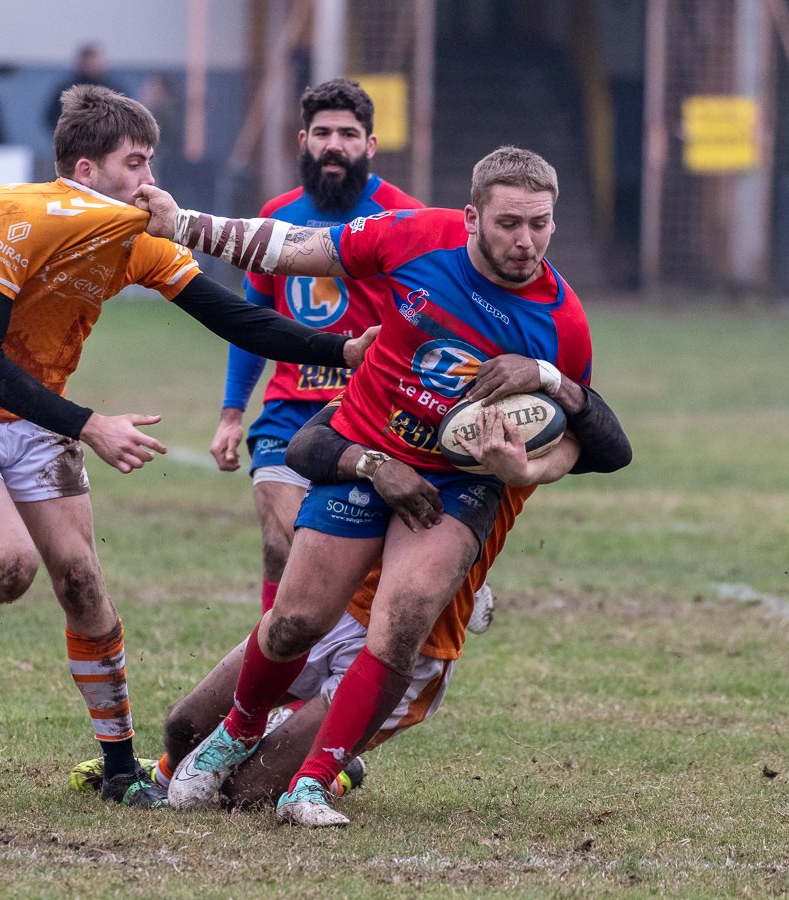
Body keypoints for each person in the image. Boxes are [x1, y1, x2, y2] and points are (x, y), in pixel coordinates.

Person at [0, 84, 374, 810]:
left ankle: (120, 769)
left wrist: (345, 352)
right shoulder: (11, 216)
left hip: (35, 417)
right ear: (86, 171)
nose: (150, 179)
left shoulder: (137, 239)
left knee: (81, 581)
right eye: (135, 163)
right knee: (7, 568)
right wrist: (89, 423)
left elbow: (235, 318)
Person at [134, 144, 598, 828]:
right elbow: (294, 247)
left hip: (452, 498)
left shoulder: (561, 324)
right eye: (508, 224)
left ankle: (316, 782)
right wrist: (183, 226)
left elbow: (590, 435)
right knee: (274, 638)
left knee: (398, 630)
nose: (526, 241)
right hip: (369, 471)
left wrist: (535, 429)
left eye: (540, 224)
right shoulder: (414, 240)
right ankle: (223, 737)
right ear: (471, 218)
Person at [208, 77, 424, 620]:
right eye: (322, 132)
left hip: (376, 413)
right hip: (288, 414)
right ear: (302, 140)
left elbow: (432, 324)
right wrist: (232, 413)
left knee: (354, 562)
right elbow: (251, 322)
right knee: (281, 545)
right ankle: (278, 692)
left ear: (370, 146)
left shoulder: (405, 220)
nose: (334, 145)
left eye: (348, 134)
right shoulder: (276, 217)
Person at [45, 42, 125, 131]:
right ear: (80, 62)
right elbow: (51, 117)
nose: (92, 64)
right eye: (89, 60)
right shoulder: (67, 89)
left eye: (95, 59)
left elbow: (126, 118)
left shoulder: (115, 89)